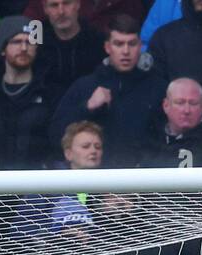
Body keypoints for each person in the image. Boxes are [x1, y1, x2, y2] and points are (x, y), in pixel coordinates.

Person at [49, 14, 167, 167]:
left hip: (142, 181)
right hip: (94, 182)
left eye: (131, 44)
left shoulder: (158, 88)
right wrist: (87, 107)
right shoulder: (85, 86)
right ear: (107, 47)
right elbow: (55, 135)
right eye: (118, 44)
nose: (126, 51)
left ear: (140, 46)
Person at [0, 16, 55, 170]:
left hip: (38, 186)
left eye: (30, 42)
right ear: (3, 48)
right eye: (16, 42)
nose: (24, 48)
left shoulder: (50, 93)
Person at [137, 77, 202, 168]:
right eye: (180, 102)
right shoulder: (150, 140)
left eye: (193, 103)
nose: (187, 110)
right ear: (166, 105)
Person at [30, 0, 106, 102]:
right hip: (45, 109)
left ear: (78, 4)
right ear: (45, 9)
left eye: (66, 3)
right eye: (54, 5)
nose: (61, 11)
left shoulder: (97, 40)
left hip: (89, 108)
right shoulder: (36, 41)